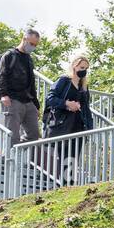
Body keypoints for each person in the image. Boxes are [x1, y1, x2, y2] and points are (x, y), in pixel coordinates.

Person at [43, 55, 93, 184]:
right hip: (63, 125)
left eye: (86, 68)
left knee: (73, 157)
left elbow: (86, 108)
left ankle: (69, 184)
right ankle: (62, 184)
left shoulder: (84, 86)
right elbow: (50, 98)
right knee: (63, 156)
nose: (84, 70)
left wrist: (90, 128)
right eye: (82, 67)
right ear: (74, 66)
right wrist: (66, 104)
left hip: (79, 125)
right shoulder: (64, 80)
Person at [0, 29, 43, 147]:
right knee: (12, 135)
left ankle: (16, 150)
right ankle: (8, 158)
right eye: (31, 43)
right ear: (24, 39)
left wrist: (36, 105)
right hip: (12, 100)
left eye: (35, 45)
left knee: (34, 136)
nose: (33, 47)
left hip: (28, 101)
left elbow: (31, 83)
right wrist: (3, 95)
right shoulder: (10, 55)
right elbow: (2, 75)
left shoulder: (29, 59)